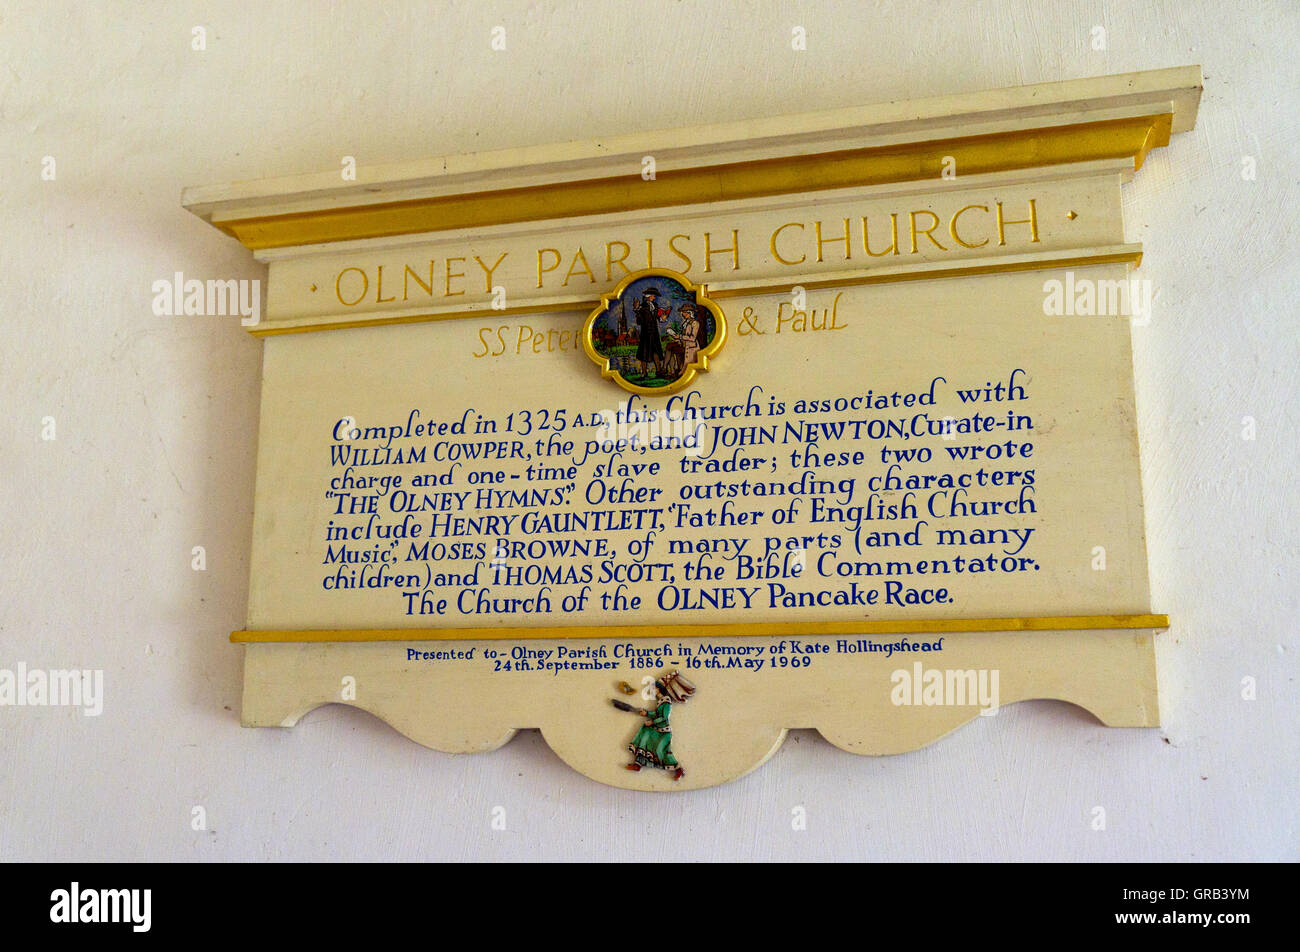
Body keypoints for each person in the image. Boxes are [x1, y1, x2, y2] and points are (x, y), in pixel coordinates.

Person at [626, 670, 696, 781]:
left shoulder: (667, 701)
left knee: (661, 752)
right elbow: (656, 713)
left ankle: (678, 770)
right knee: (644, 740)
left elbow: (663, 717)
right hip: (657, 730)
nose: (652, 690)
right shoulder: (660, 701)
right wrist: (647, 713)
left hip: (663, 732)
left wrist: (652, 721)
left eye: (654, 688)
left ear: (659, 689)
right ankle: (638, 764)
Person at [632, 287, 665, 377]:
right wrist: (636, 310)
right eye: (653, 296)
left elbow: (658, 317)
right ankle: (644, 373)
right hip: (646, 333)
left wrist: (662, 318)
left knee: (656, 351)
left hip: (654, 332)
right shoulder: (642, 307)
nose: (654, 298)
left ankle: (658, 371)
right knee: (644, 352)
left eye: (654, 296)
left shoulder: (655, 305)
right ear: (648, 296)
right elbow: (639, 322)